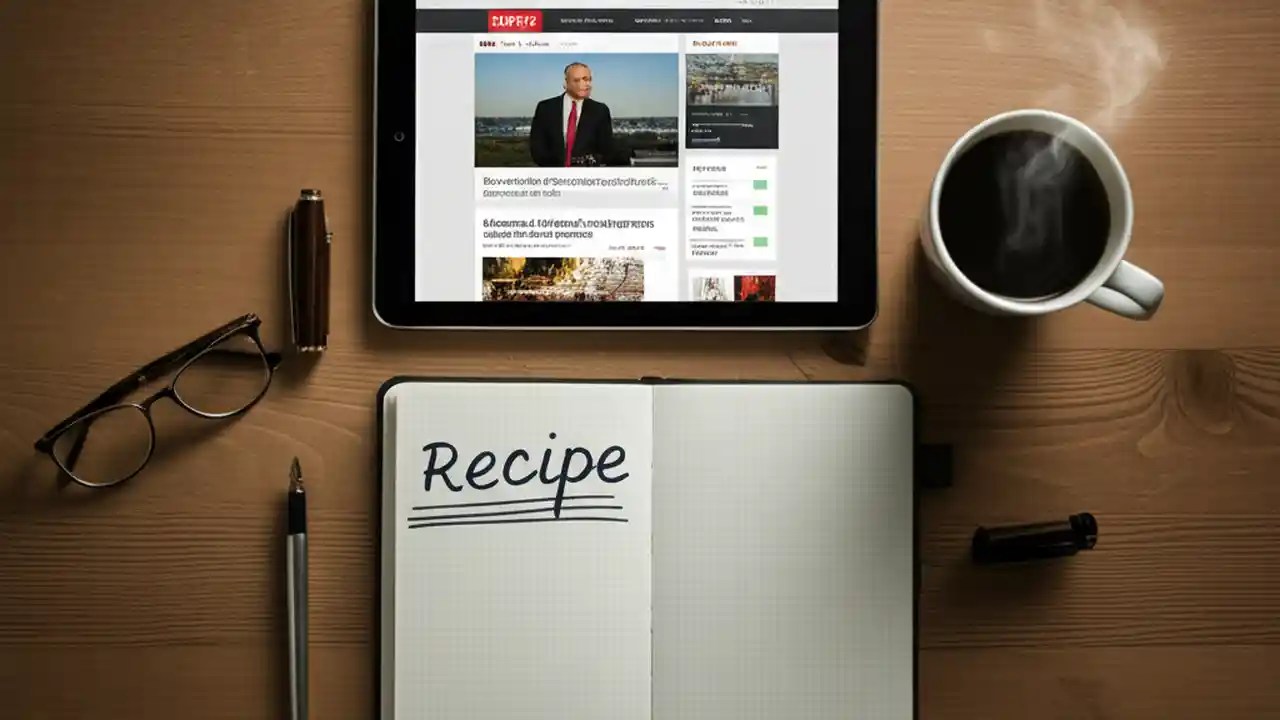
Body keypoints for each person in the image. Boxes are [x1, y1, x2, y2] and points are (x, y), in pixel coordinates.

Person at [529, 62, 615, 167]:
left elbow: (606, 148)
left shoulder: (600, 110)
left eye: (587, 79)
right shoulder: (545, 108)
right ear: (566, 83)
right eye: (578, 80)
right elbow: (537, 147)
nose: (585, 84)